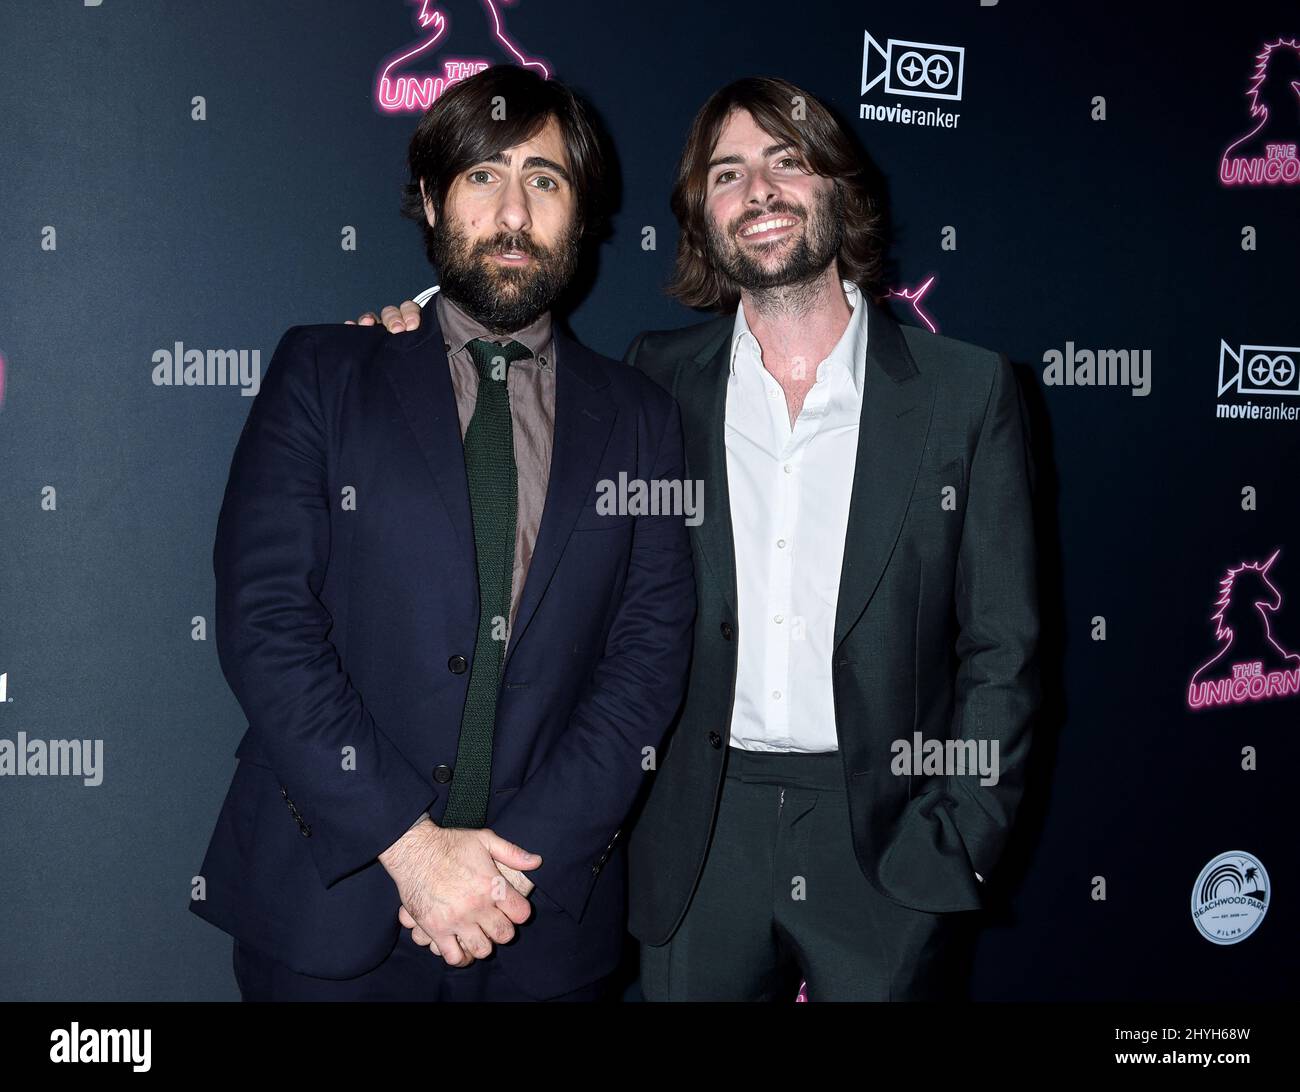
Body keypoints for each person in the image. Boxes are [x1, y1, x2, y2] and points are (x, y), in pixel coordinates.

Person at [356, 75, 1039, 1002]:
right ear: (701, 217)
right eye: (726, 174)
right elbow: (495, 356)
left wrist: (958, 836)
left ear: (839, 185)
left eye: (785, 162)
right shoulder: (653, 384)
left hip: (885, 837)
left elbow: (1003, 647)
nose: (757, 191)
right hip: (692, 834)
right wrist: (406, 325)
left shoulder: (968, 392)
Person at [190, 64, 695, 1002]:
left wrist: (502, 875)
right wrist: (412, 850)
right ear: (429, 200)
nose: (514, 211)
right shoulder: (324, 370)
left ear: (579, 220)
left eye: (545, 181)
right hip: (329, 904)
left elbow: (649, 658)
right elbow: (267, 623)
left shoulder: (643, 419)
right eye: (481, 176)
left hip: (541, 925)